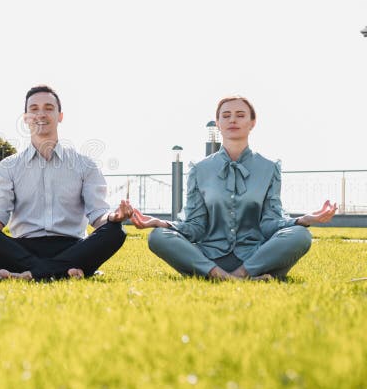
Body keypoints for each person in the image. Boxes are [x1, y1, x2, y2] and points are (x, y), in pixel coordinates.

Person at [131, 95, 337, 280]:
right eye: (226, 115)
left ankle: (239, 275)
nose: (232, 120)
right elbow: (195, 226)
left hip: (256, 257)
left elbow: (270, 223)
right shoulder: (200, 169)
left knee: (300, 235)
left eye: (240, 115)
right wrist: (163, 224)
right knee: (158, 236)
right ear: (218, 123)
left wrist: (302, 220)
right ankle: (225, 276)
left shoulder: (269, 167)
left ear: (252, 123)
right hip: (209, 257)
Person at [0, 85, 132, 280]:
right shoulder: (8, 167)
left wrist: (113, 217)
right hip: (23, 247)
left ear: (60, 116)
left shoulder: (85, 165)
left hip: (71, 245)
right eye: (34, 109)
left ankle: (30, 273)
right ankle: (65, 271)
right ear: (25, 118)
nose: (41, 114)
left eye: (49, 108)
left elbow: (98, 216)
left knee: (116, 232)